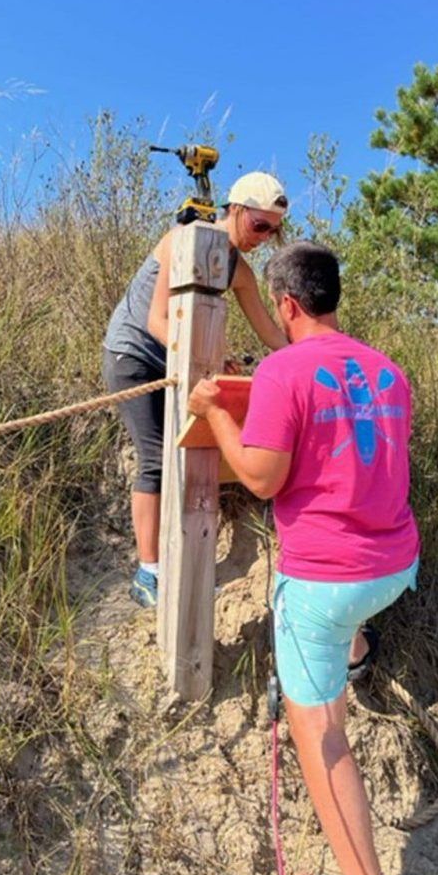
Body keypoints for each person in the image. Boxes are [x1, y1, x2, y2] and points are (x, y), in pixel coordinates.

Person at [187, 241, 418, 875]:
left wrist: (219, 411)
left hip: (324, 582)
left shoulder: (285, 370)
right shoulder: (389, 371)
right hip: (395, 565)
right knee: (347, 627)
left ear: (285, 304)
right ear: (330, 298)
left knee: (323, 740)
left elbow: (260, 477)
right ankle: (356, 648)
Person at [102, 171, 289, 607]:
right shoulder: (181, 241)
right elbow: (157, 322)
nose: (264, 237)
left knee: (193, 452)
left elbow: (268, 332)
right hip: (133, 356)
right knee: (155, 459)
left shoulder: (239, 271)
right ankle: (148, 573)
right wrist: (203, 360)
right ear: (236, 209)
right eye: (259, 225)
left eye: (274, 231)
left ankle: (183, 562)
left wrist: (318, 352)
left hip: (178, 362)